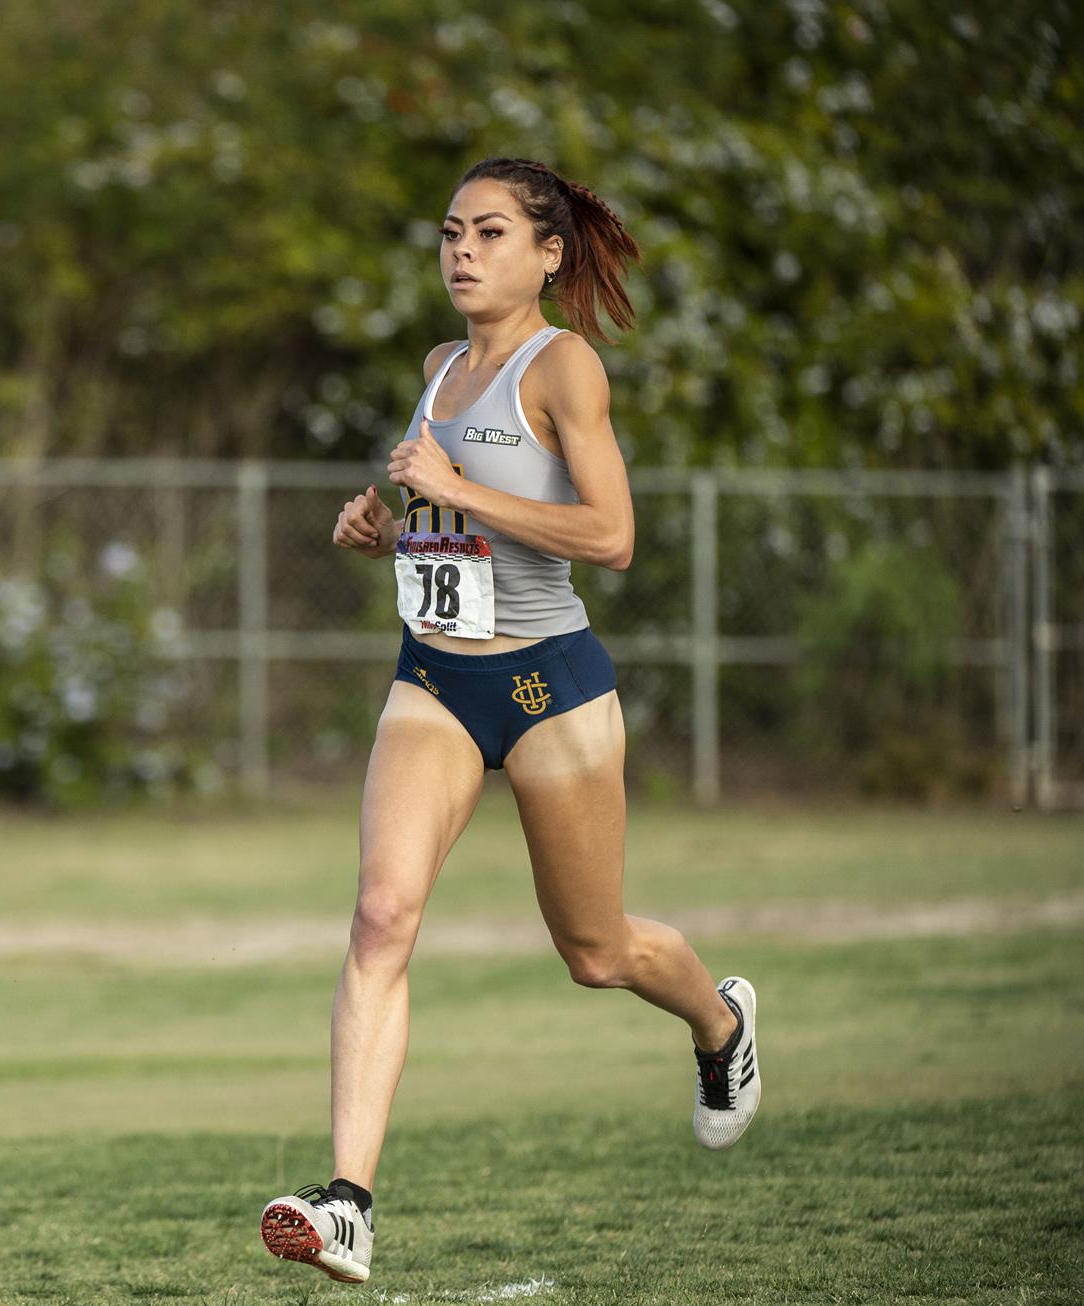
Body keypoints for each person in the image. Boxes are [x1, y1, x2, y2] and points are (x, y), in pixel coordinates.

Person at [258, 158, 760, 1286]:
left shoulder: (563, 367)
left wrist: (457, 487)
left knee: (596, 951)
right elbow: (454, 531)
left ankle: (719, 1025)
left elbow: (610, 535)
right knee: (380, 916)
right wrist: (390, 529)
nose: (459, 250)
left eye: (488, 232)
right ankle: (346, 1205)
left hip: (548, 687)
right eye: (448, 231)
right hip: (432, 680)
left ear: (546, 254)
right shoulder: (437, 367)